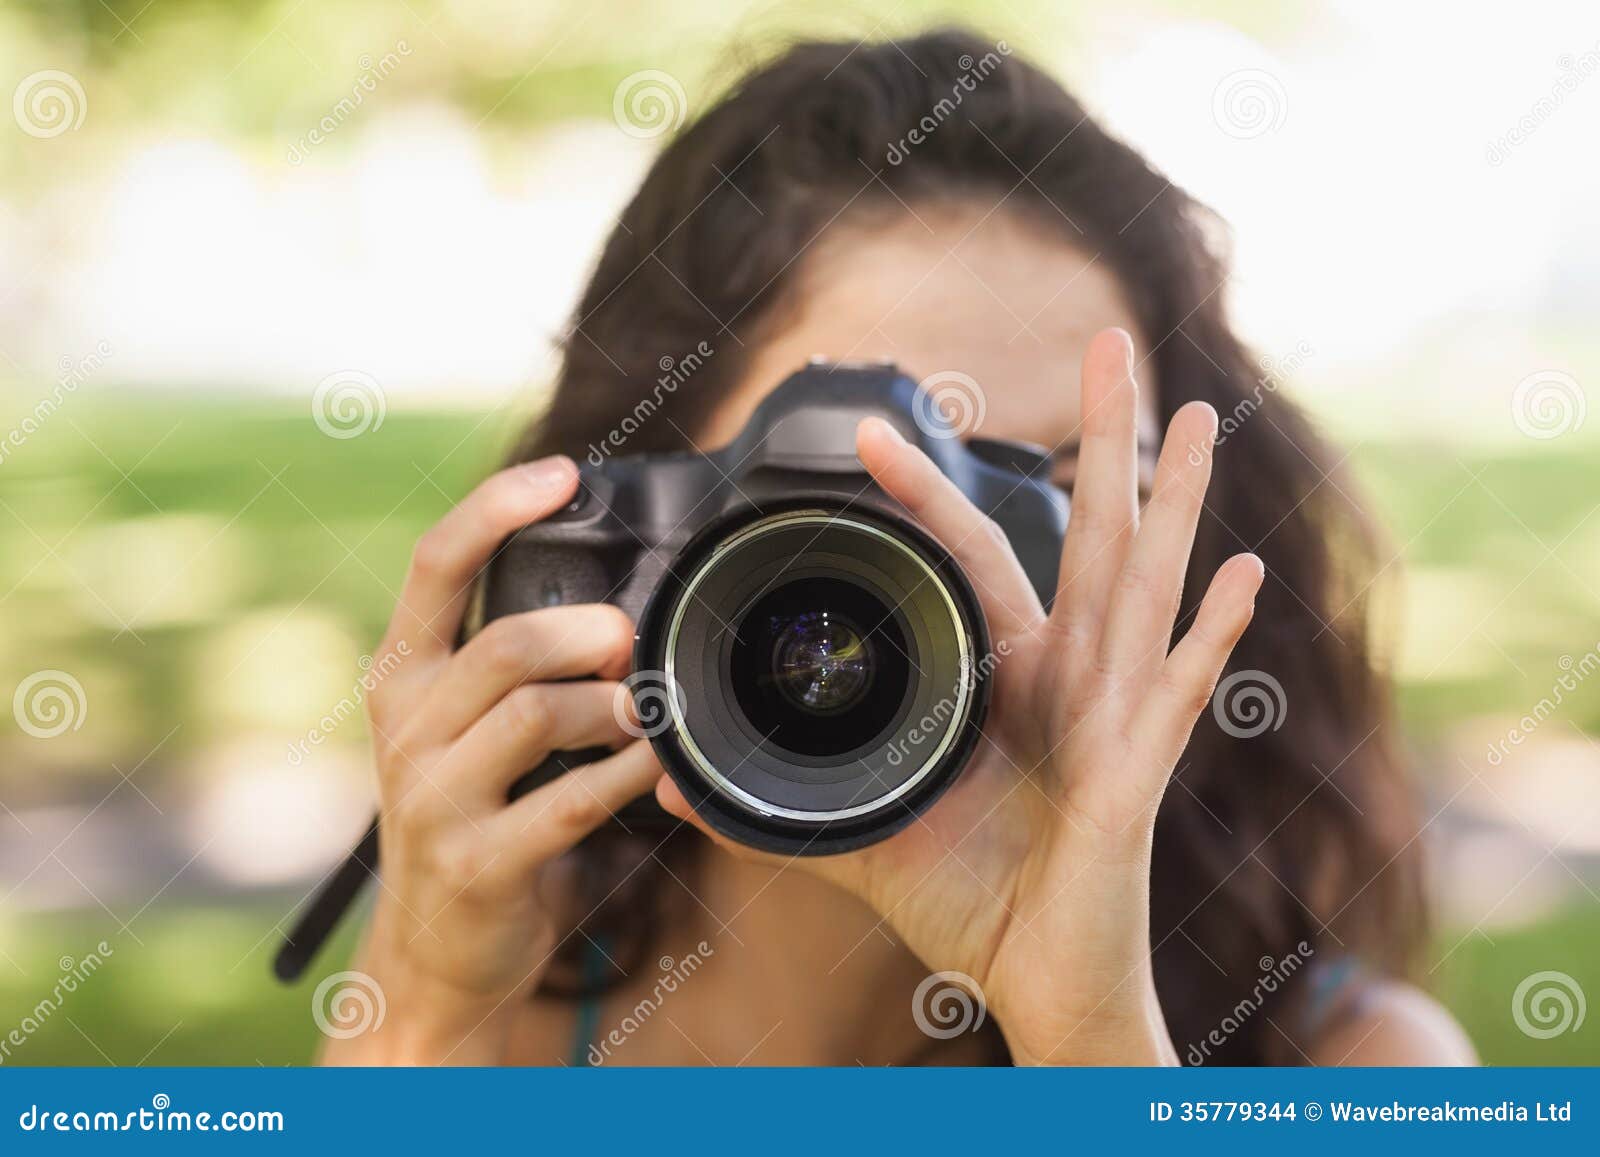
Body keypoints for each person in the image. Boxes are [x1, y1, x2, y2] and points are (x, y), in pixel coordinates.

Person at [322, 28, 1475, 1066]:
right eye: (862, 490)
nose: (961, 568)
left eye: (1069, 487)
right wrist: (425, 1016)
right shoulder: (495, 1013)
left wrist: (1087, 1036)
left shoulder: (1355, 1064)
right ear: (637, 534)